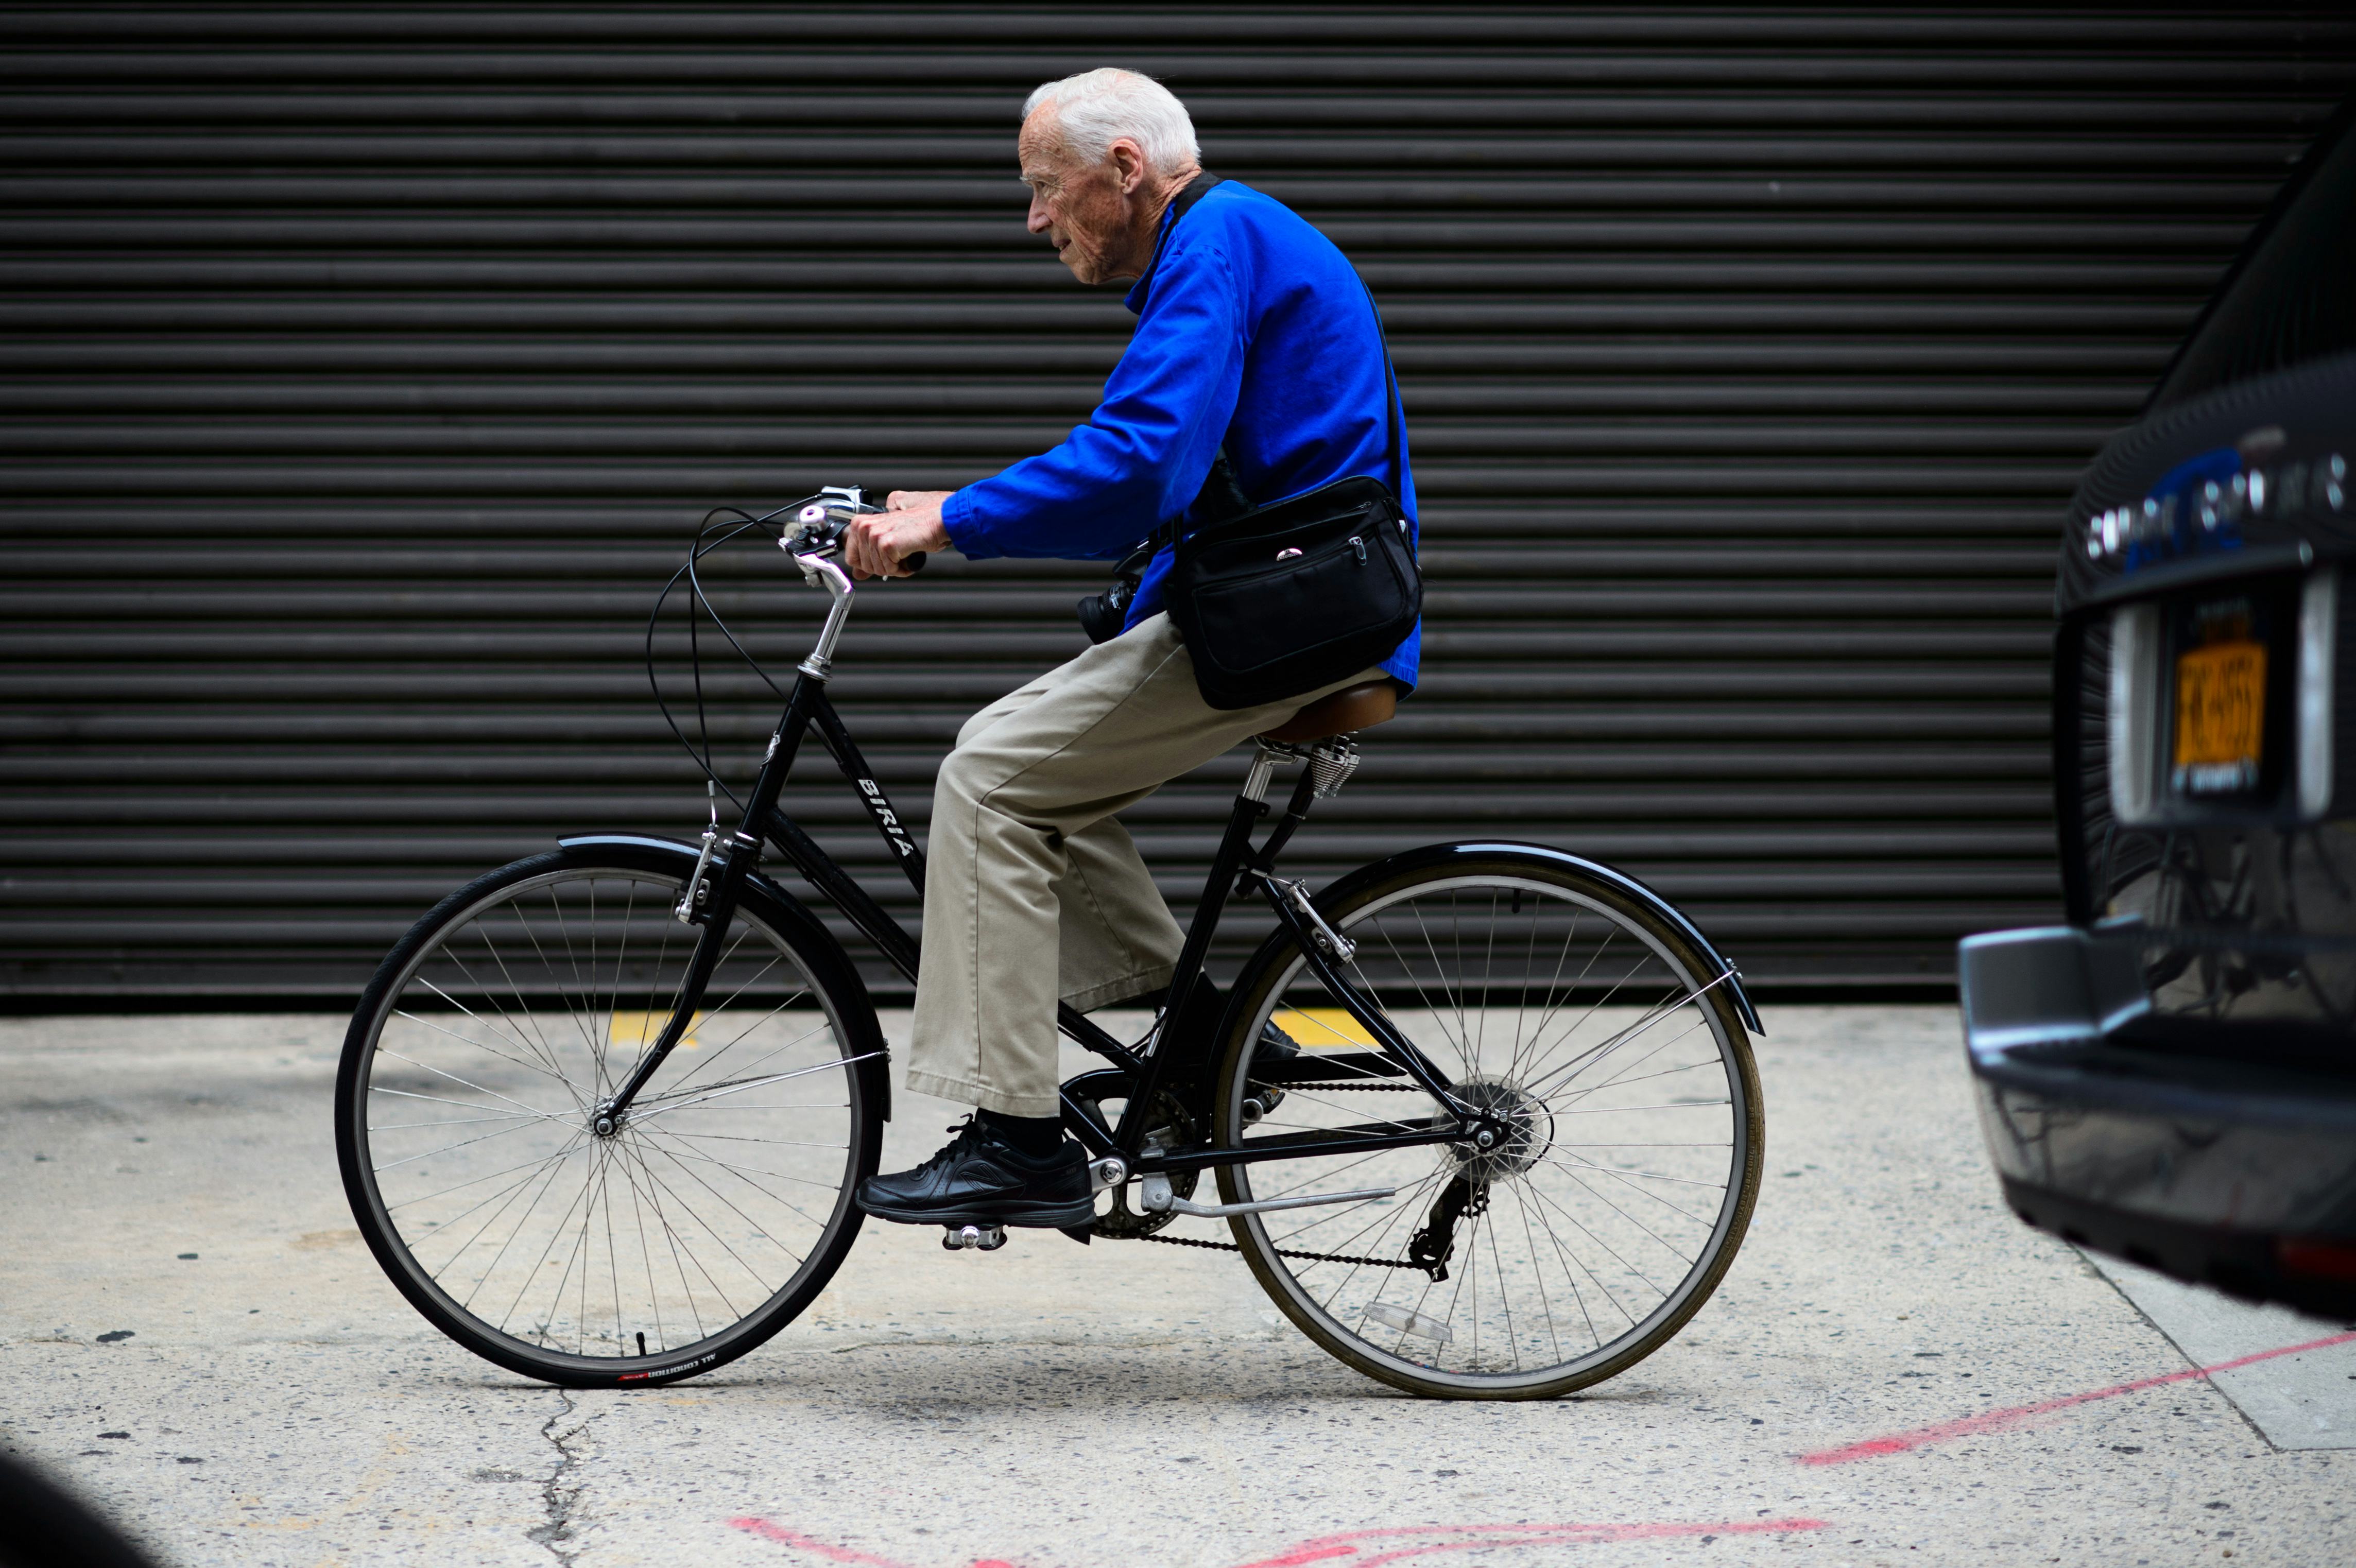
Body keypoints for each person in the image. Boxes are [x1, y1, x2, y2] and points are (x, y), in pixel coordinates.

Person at [840, 67, 1419, 1231]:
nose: (1034, 218)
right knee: (1044, 782)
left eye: (1045, 188)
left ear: (1124, 172)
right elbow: (1167, 471)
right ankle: (1210, 1043)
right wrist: (947, 505)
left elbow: (1136, 462)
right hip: (1286, 598)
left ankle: (1013, 1137)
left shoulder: (1214, 239)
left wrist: (948, 521)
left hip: (1287, 612)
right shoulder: (1226, 238)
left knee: (990, 779)